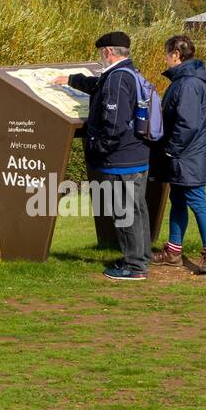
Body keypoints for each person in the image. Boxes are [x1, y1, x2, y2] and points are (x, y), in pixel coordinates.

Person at [55, 31, 152, 280]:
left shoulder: (117, 79)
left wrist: (99, 147)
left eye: (101, 53)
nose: (100, 57)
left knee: (124, 212)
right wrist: (70, 79)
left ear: (108, 52)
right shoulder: (128, 72)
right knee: (136, 210)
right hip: (135, 155)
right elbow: (96, 86)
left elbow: (114, 123)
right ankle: (140, 257)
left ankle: (134, 267)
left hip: (120, 159)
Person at [152, 34, 206, 273]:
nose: (165, 58)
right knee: (178, 200)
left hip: (187, 156)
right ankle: (173, 251)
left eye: (166, 54)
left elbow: (188, 124)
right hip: (185, 156)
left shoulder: (188, 83)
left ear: (176, 55)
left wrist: (171, 149)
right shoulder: (185, 81)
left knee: (196, 200)